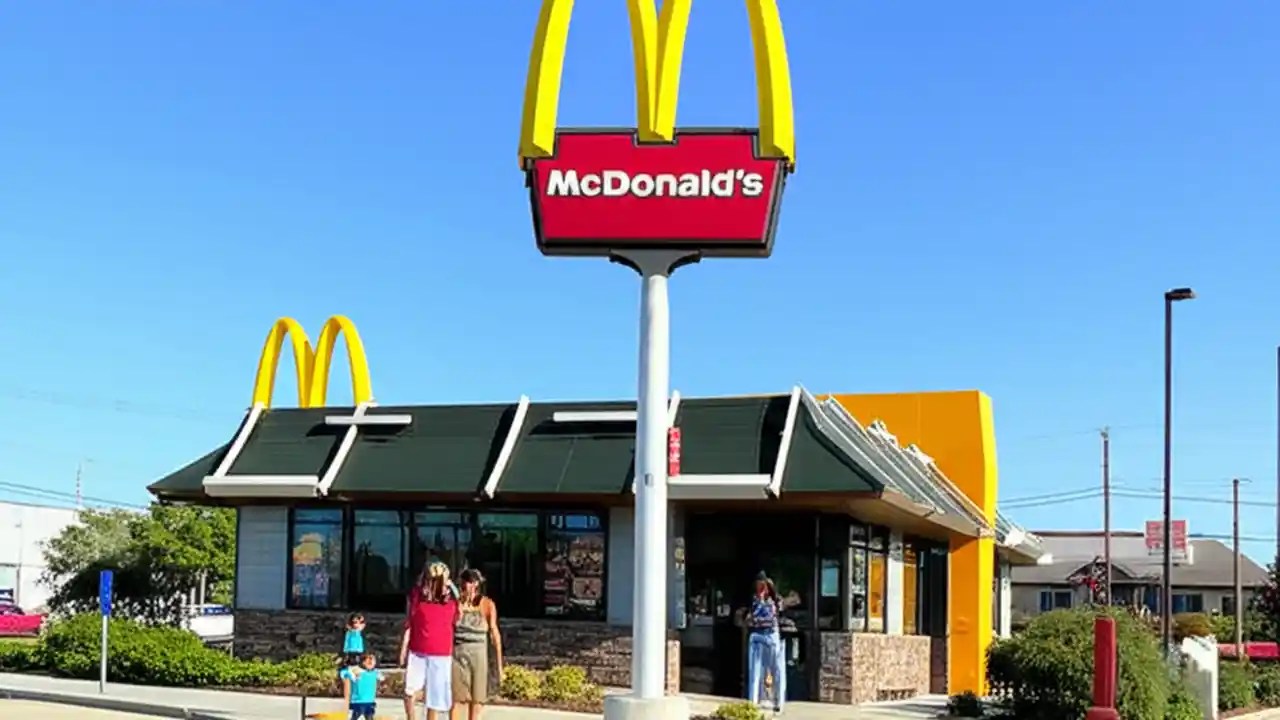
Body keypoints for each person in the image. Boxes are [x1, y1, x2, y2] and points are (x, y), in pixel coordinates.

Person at [401, 561, 460, 720]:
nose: (434, 583)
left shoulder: (450, 600)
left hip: (440, 651)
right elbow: (409, 622)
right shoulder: (417, 596)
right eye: (431, 579)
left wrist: (449, 584)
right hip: (417, 650)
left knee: (435, 695)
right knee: (410, 689)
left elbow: (459, 612)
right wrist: (403, 648)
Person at [452, 569, 504, 720]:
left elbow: (495, 634)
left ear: (476, 584)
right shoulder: (455, 604)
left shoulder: (487, 604)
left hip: (479, 655)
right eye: (462, 582)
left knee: (477, 698)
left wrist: (499, 665)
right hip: (458, 654)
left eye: (468, 582)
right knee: (457, 698)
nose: (464, 585)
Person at [744, 571, 786, 713]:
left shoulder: (775, 600)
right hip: (757, 635)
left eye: (762, 586)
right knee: (755, 671)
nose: (760, 589)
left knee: (776, 670)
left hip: (771, 634)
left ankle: (778, 701)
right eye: (758, 586)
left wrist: (764, 602)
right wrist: (760, 601)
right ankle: (753, 702)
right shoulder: (755, 599)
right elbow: (753, 616)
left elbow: (772, 614)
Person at [340, 652, 384, 720]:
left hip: (370, 701)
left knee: (369, 717)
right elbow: (344, 674)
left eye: (372, 660)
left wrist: (380, 687)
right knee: (355, 716)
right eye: (367, 660)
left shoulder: (376, 673)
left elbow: (382, 679)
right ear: (362, 662)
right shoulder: (356, 671)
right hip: (357, 701)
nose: (370, 661)